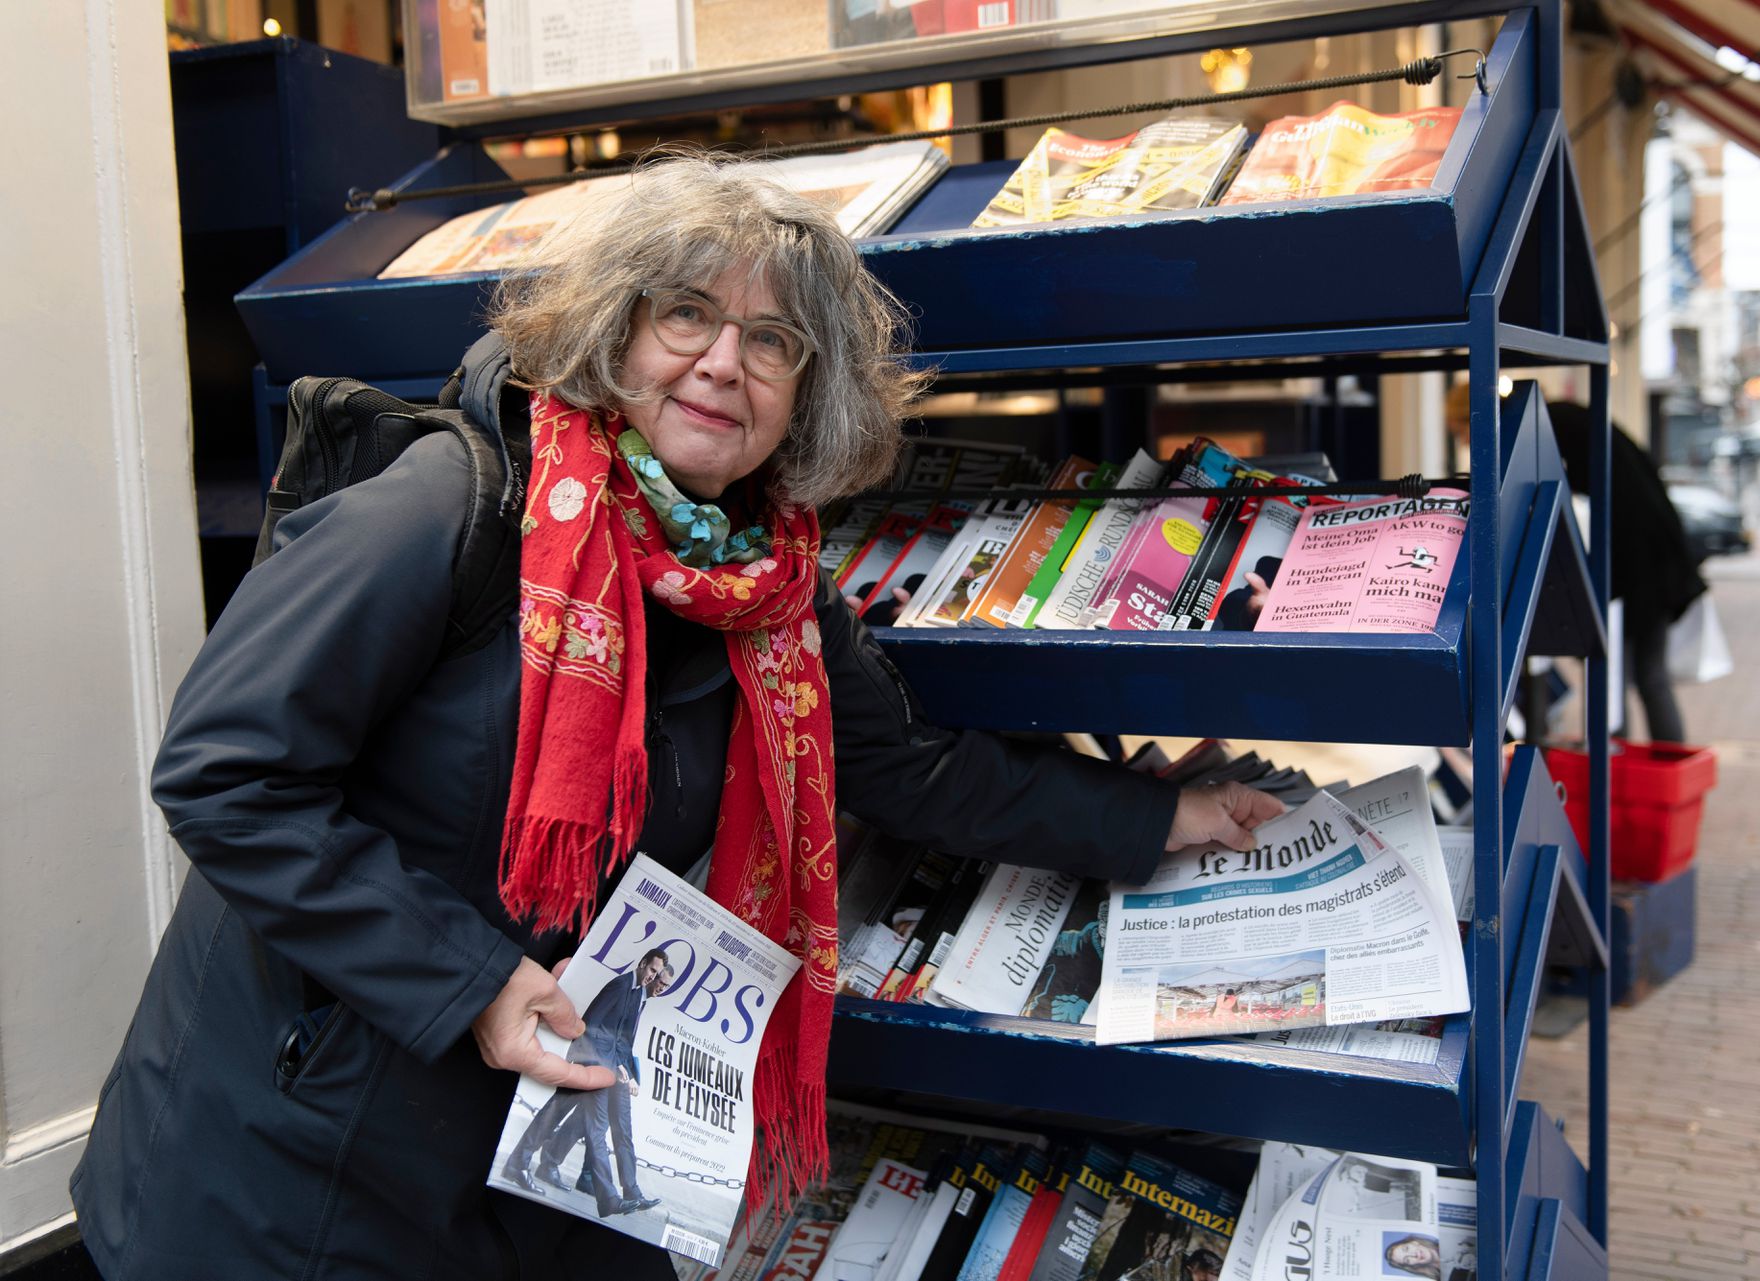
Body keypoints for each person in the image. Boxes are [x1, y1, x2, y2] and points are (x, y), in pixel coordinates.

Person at [72, 152, 1284, 1280]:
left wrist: (1166, 812)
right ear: (615, 335)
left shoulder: (769, 583)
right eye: (687, 316)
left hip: (529, 1151)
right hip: (302, 1152)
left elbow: (912, 772)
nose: (724, 364)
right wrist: (475, 984)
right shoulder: (453, 510)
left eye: (773, 341)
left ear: (809, 393)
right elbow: (226, 775)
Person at [1443, 385, 1705, 744]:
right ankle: (1639, 768)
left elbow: (1538, 504)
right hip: (1653, 554)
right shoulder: (1561, 418)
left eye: (1461, 433)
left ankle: (1621, 772)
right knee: (1640, 674)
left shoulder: (1542, 431)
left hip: (1639, 564)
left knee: (1624, 675)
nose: (1466, 444)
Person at [499, 949, 669, 1216]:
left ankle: (536, 1165)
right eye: (652, 971)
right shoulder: (621, 985)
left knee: (577, 1120)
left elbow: (621, 1040)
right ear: (642, 963)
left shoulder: (636, 992)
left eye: (657, 975)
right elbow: (591, 1024)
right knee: (562, 1116)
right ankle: (521, 1164)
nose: (653, 977)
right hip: (588, 1063)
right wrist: (594, 1064)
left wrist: (625, 1072)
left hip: (605, 1068)